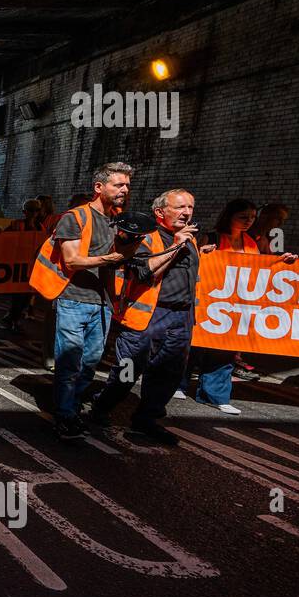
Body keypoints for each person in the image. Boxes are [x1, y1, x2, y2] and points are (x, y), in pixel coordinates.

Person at [88, 189, 201, 445]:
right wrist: (176, 245)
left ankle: (147, 419)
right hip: (148, 314)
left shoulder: (190, 239)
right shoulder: (144, 236)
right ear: (160, 212)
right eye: (180, 207)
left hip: (181, 316)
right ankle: (101, 407)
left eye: (190, 207)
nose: (187, 213)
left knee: (169, 372)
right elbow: (142, 273)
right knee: (128, 370)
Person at [33, 162, 133, 442]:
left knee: (90, 361)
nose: (124, 190)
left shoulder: (119, 220)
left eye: (127, 185)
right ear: (99, 187)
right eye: (118, 184)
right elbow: (72, 260)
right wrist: (111, 259)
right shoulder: (75, 217)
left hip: (104, 302)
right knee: (69, 362)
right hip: (73, 299)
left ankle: (73, 404)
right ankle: (65, 415)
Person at [179, 199, 299, 414]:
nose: (248, 221)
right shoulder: (212, 237)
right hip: (208, 302)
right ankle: (178, 385)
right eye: (243, 217)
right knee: (193, 347)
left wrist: (283, 261)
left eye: (252, 217)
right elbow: (191, 264)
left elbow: (264, 267)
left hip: (236, 306)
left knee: (224, 352)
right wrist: (201, 253)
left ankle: (215, 396)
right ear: (229, 216)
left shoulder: (253, 242)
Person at [2, 198, 46, 331]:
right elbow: (4, 237)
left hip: (31, 267)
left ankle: (13, 316)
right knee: (18, 295)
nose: (34, 213)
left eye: (36, 210)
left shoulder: (40, 227)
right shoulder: (17, 224)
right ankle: (15, 320)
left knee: (27, 295)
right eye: (31, 210)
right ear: (24, 211)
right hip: (18, 265)